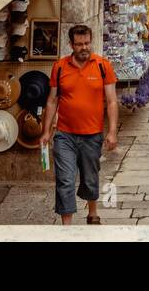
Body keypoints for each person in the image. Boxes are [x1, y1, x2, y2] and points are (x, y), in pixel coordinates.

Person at [43, 25, 118, 225]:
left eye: (87, 43)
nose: (84, 47)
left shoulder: (103, 66)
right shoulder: (59, 67)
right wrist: (46, 131)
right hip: (64, 134)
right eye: (79, 44)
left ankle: (92, 212)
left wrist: (111, 132)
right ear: (71, 45)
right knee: (65, 180)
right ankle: (67, 226)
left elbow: (111, 101)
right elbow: (52, 101)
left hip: (92, 134)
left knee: (90, 177)